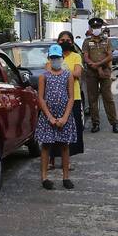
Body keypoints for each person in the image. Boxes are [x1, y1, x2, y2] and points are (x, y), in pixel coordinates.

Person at [36, 44, 78, 190]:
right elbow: (40, 98)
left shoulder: (68, 75)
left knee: (65, 146)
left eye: (57, 57)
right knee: (46, 146)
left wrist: (65, 117)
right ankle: (44, 177)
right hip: (48, 117)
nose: (55, 60)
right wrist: (50, 117)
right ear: (49, 58)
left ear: (62, 58)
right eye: (53, 58)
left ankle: (66, 177)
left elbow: (71, 98)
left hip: (64, 116)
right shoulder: (43, 77)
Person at [82, 17, 118, 133]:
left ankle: (114, 123)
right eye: (94, 27)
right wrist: (92, 64)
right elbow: (85, 56)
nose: (96, 29)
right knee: (92, 99)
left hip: (105, 72)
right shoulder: (87, 41)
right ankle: (95, 123)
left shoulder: (106, 41)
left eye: (98, 27)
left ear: (101, 28)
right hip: (91, 73)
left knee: (108, 98)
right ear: (91, 28)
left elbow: (110, 56)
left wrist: (98, 64)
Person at [56, 31, 86, 158]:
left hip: (74, 97)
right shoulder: (54, 56)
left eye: (68, 40)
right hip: (57, 97)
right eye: (62, 40)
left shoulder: (76, 56)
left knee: (74, 129)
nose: (65, 42)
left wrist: (59, 72)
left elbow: (77, 73)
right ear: (58, 42)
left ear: (72, 42)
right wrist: (68, 73)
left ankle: (68, 159)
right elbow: (47, 72)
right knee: (56, 128)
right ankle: (52, 158)